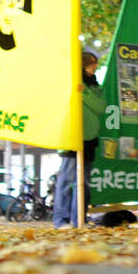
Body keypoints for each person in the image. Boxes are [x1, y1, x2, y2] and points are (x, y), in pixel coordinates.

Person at [53, 50, 106, 229]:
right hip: (71, 136)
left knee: (84, 183)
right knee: (67, 181)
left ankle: (79, 220)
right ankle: (61, 220)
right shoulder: (70, 81)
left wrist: (84, 93)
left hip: (89, 139)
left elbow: (101, 108)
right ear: (83, 64)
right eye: (92, 63)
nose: (95, 66)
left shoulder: (93, 86)